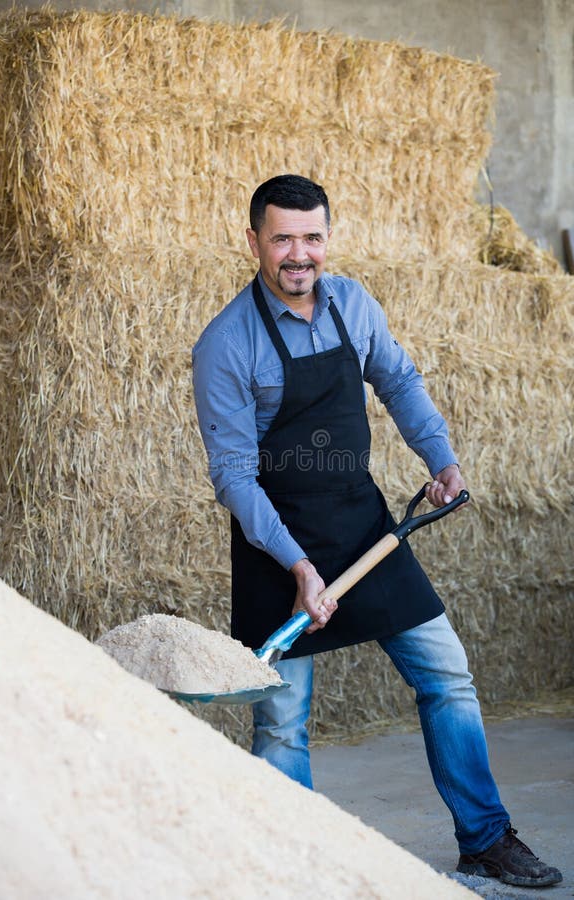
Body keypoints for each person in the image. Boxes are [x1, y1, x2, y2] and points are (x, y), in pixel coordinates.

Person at [192, 174, 562, 888]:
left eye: (312, 237)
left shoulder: (352, 304)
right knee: (281, 721)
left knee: (447, 674)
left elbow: (397, 379)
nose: (298, 254)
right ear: (253, 242)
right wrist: (299, 568)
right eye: (282, 239)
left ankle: (485, 837)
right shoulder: (226, 344)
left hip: (367, 532)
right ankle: (290, 865)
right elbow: (235, 476)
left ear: (326, 239)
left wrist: (441, 457)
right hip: (277, 548)